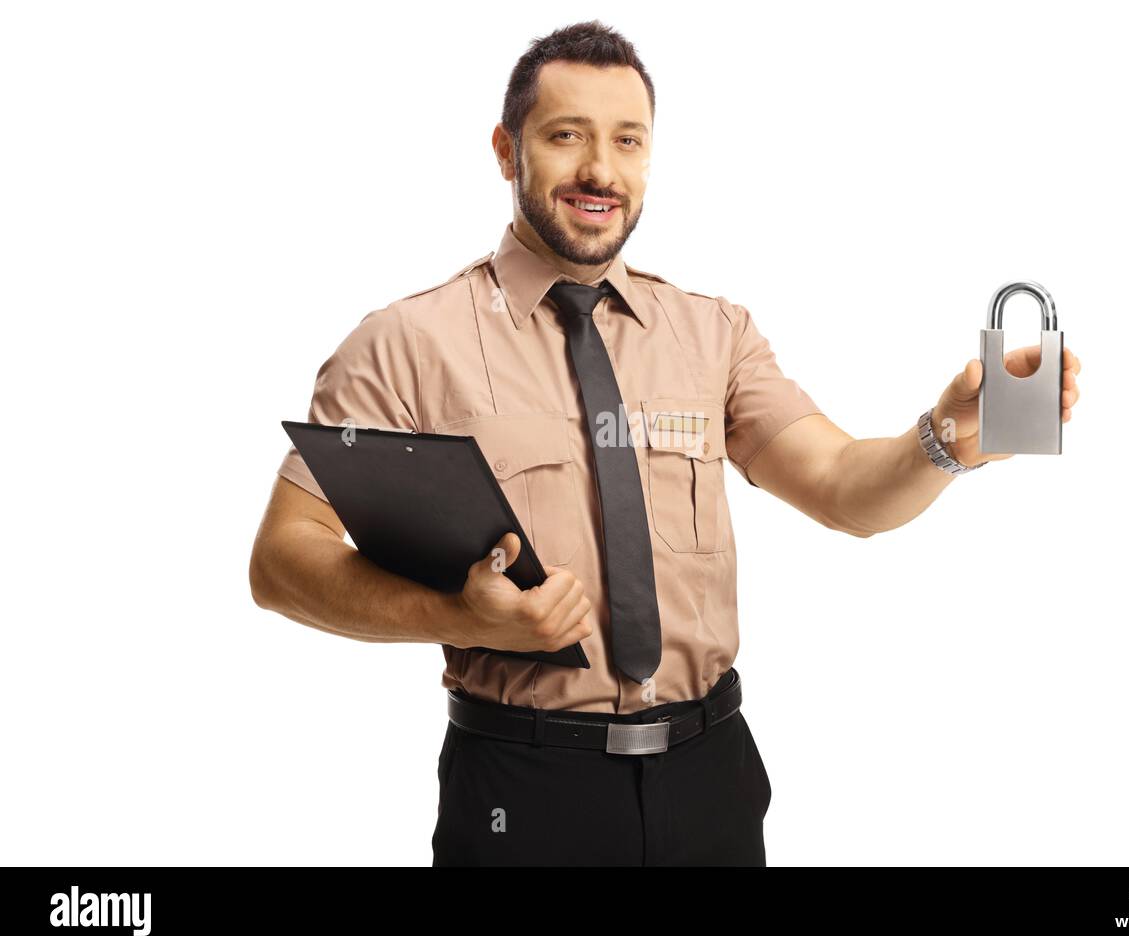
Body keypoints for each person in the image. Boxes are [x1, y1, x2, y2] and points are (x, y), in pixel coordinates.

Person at [248, 20, 1083, 866]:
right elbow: (282, 559)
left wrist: (940, 441)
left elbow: (839, 484)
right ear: (507, 151)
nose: (599, 171)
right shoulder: (405, 345)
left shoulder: (712, 334)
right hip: (520, 789)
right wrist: (456, 616)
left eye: (626, 141)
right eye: (565, 135)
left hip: (710, 776)